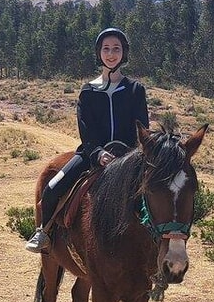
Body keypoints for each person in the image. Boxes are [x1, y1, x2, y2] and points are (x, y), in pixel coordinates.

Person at [25, 28, 149, 251]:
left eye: (116, 49)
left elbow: (142, 129)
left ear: (124, 53)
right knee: (52, 188)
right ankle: (43, 232)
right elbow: (86, 131)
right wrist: (98, 153)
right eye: (106, 49)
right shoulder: (88, 91)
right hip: (92, 155)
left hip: (129, 158)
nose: (111, 54)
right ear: (99, 53)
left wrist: (131, 155)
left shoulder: (135, 90)